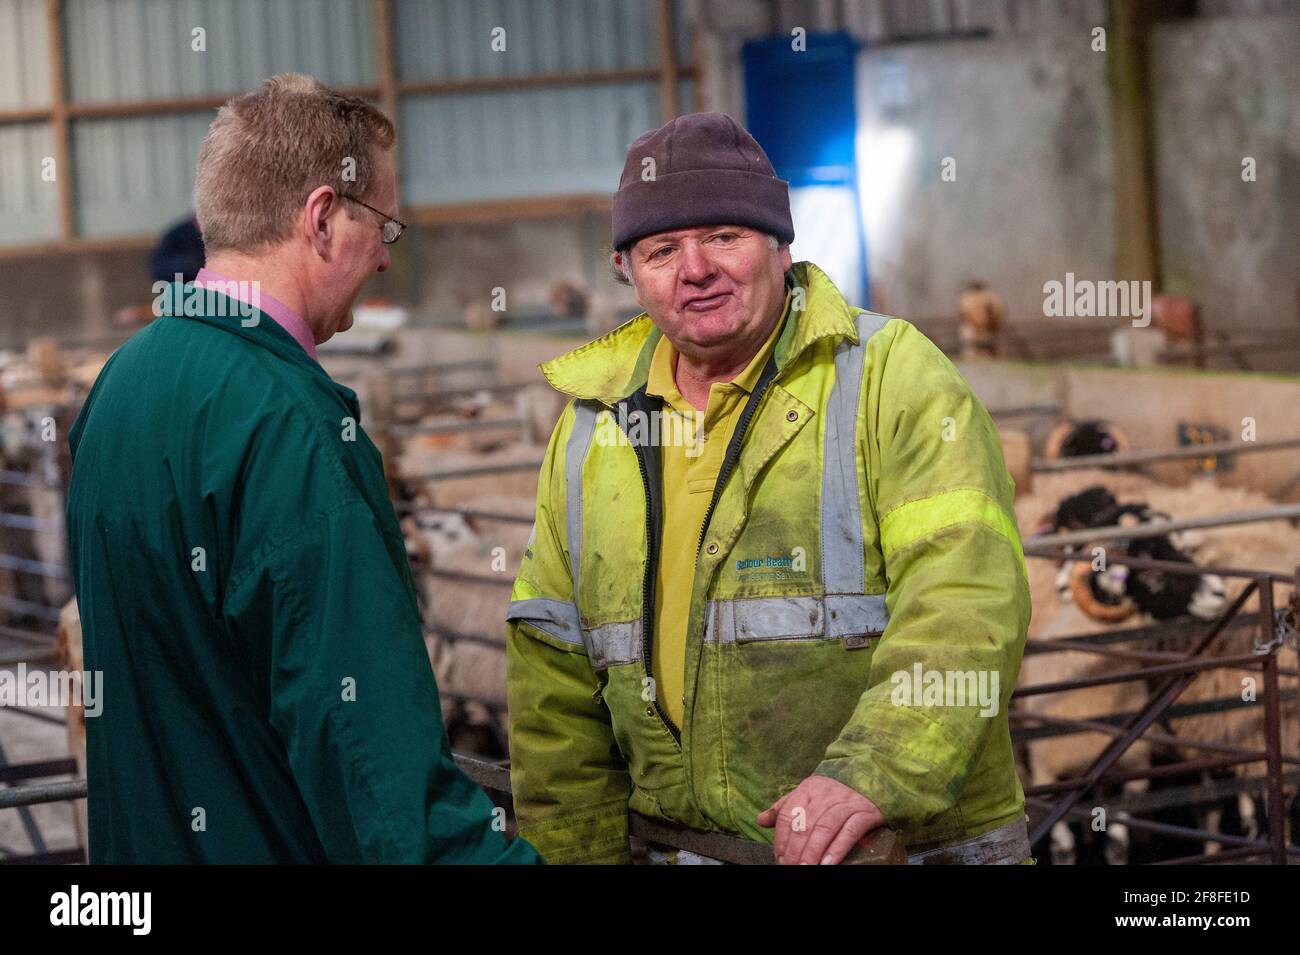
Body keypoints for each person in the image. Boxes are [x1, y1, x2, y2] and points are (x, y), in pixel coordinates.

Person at [506, 112, 1031, 864]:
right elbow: (551, 670)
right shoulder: (592, 429)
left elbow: (968, 596)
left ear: (782, 245)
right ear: (626, 270)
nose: (695, 268)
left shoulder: (889, 377)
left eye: (724, 236)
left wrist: (872, 772)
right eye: (662, 249)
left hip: (901, 847)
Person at [66, 74, 539, 864]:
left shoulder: (124, 382)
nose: (387, 260)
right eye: (384, 226)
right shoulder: (294, 427)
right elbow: (376, 777)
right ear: (322, 218)